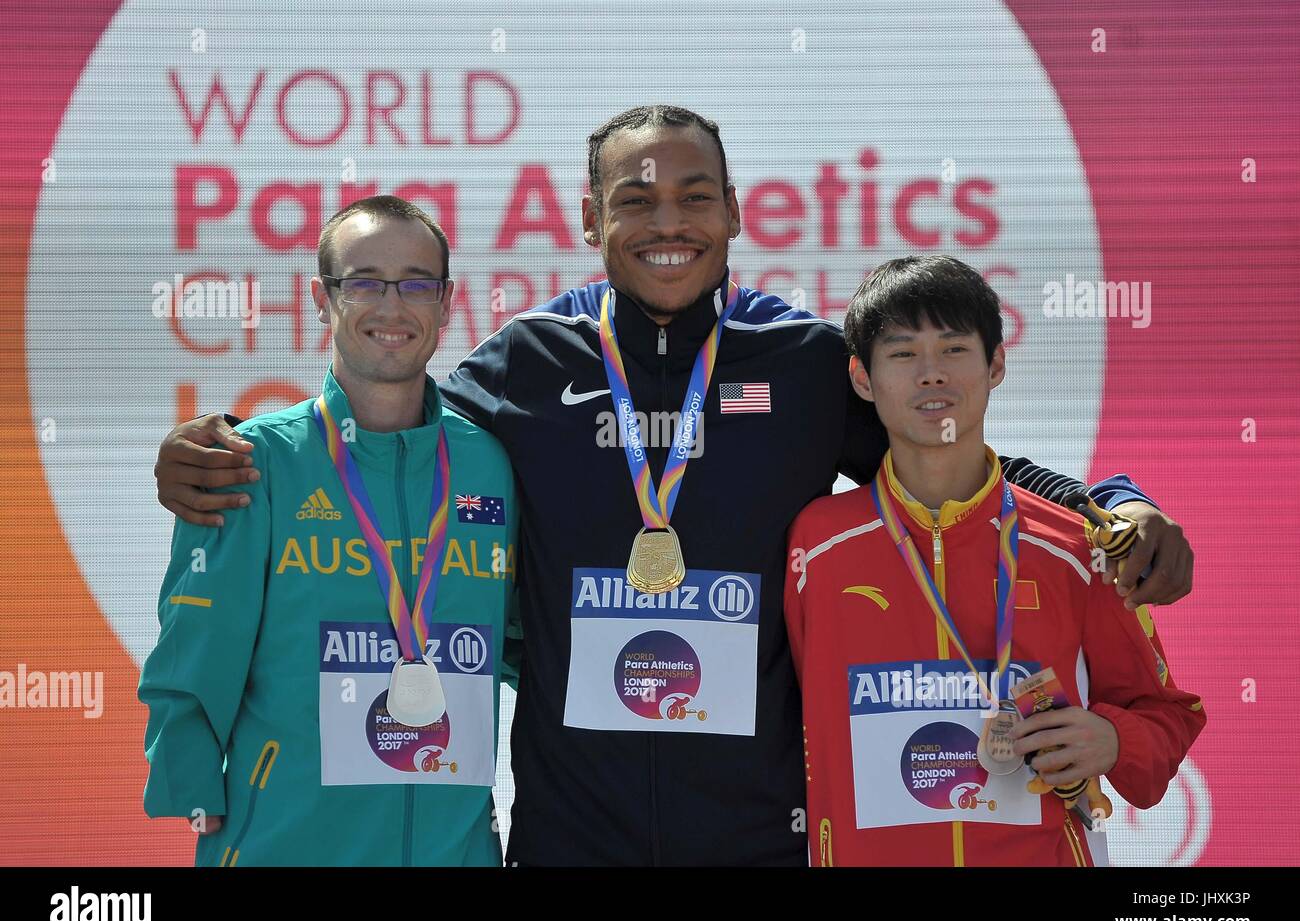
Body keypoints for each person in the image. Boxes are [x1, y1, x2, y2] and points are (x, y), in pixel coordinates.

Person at [150, 106, 1194, 866]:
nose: (668, 220)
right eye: (635, 197)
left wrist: (1109, 499)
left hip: (753, 826)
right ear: (589, 215)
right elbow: (384, 422)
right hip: (573, 827)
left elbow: (942, 447)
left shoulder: (795, 358)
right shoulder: (534, 359)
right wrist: (223, 445)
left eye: (696, 195)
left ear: (736, 211)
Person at [784, 255, 1205, 866]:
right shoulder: (815, 547)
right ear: (861, 378)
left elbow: (1168, 714)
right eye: (902, 354)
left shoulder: (1071, 548)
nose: (931, 375)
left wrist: (1114, 740)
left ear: (997, 364)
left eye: (954, 349)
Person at [139, 196, 519, 865]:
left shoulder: (488, 463)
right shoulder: (253, 461)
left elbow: (530, 634)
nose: (391, 307)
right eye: (364, 282)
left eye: (416, 284)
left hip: (452, 848)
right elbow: (196, 642)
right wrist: (190, 782)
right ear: (322, 298)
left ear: (447, 300)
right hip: (287, 842)